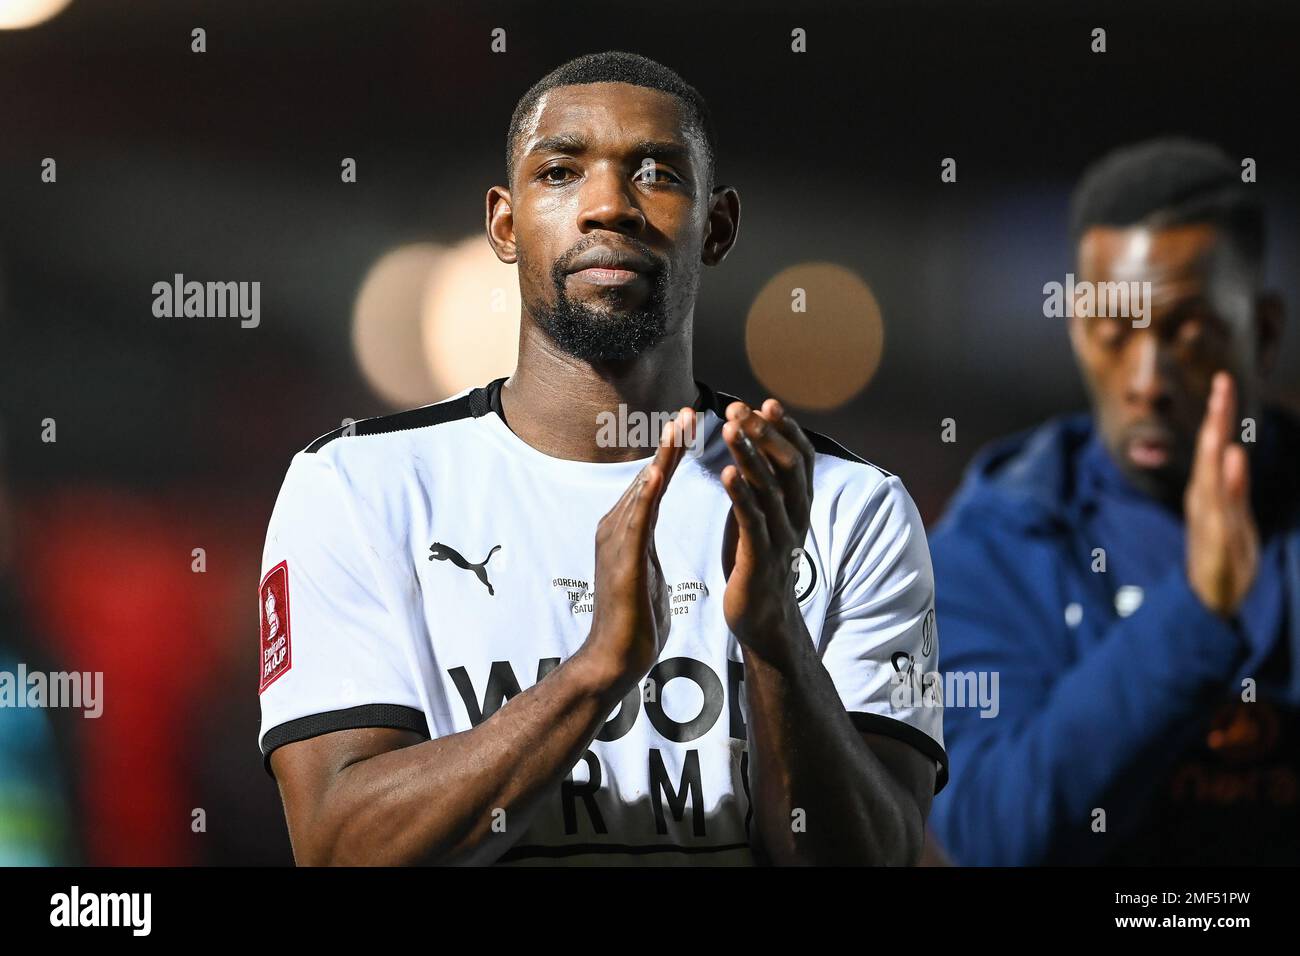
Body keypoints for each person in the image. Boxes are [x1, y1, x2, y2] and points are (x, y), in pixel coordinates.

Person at [255, 51, 946, 866]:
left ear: (716, 227)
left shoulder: (848, 509)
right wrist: (594, 672)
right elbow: (338, 849)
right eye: (560, 171)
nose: (609, 205)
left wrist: (773, 638)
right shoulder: (356, 488)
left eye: (656, 172)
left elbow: (882, 859)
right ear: (504, 226)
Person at [928, 138, 1298, 865]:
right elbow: (991, 836)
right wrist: (1197, 611)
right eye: (1113, 333)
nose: (1147, 379)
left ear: (1262, 334)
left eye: (1188, 336)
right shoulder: (992, 545)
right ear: (1077, 328)